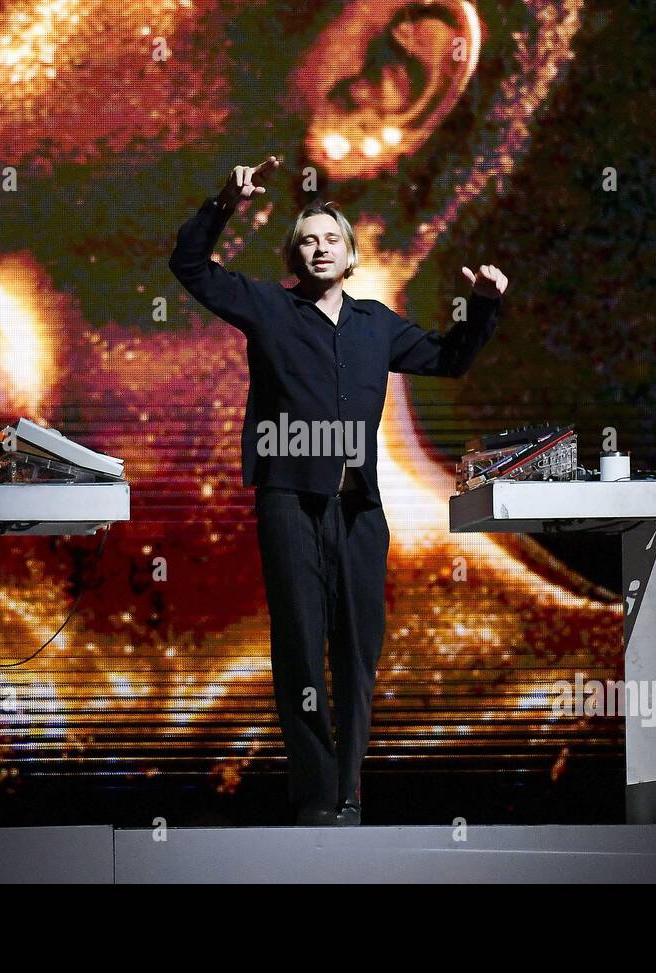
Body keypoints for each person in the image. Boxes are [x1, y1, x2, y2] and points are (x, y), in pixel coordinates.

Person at [170, 156, 508, 825]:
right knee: (300, 644)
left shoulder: (376, 323)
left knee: (357, 648)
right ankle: (314, 793)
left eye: (331, 239)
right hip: (288, 497)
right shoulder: (269, 306)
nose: (319, 247)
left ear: (350, 255)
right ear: (294, 255)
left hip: (358, 508)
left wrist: (485, 305)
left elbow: (450, 357)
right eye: (307, 239)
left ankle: (350, 791)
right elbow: (191, 268)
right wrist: (223, 203)